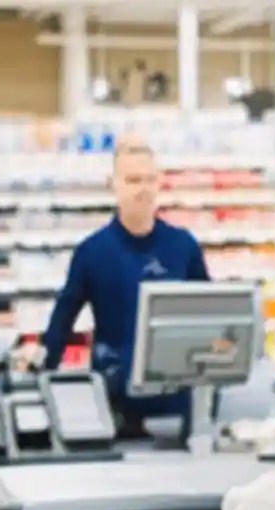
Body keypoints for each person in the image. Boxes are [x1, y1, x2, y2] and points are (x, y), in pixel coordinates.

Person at [38, 134, 211, 434]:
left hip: (180, 407)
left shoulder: (183, 247)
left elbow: (211, 318)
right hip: (113, 406)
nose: (142, 190)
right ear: (113, 184)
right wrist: (38, 374)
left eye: (149, 180)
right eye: (132, 180)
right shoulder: (92, 252)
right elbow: (62, 322)